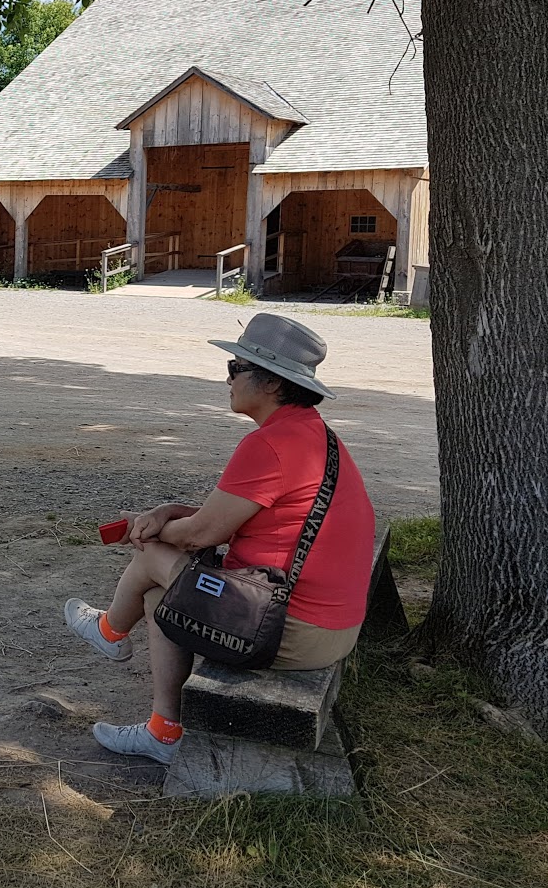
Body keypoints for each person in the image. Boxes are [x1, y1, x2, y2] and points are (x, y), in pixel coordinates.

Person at [63, 312, 377, 764]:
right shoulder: (311, 434)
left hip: (290, 629)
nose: (227, 379)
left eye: (236, 368)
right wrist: (167, 512)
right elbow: (235, 517)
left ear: (272, 382)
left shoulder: (269, 445)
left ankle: (110, 630)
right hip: (327, 625)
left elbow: (201, 534)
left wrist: (151, 528)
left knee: (153, 555)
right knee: (160, 598)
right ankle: (163, 732)